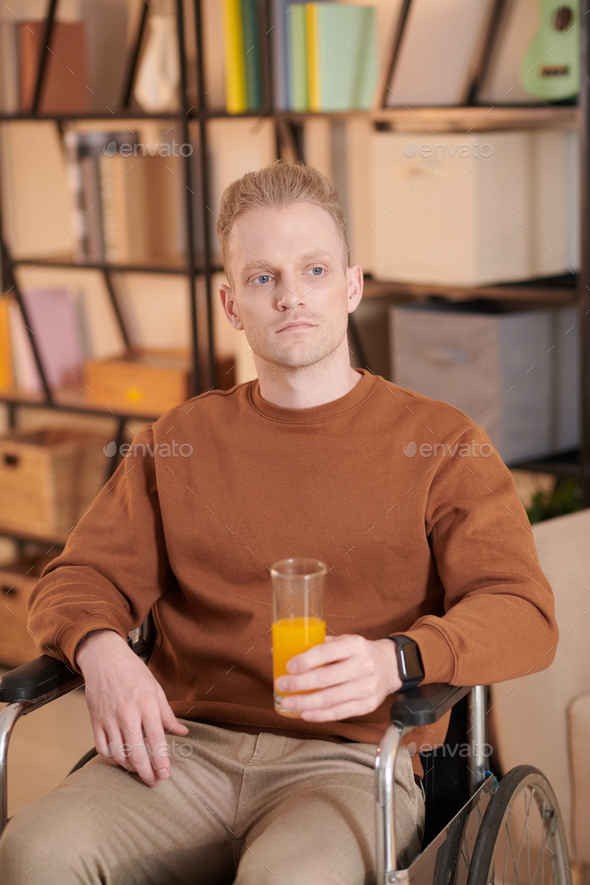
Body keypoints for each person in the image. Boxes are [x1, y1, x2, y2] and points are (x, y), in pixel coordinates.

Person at [0, 161, 558, 884]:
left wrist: (397, 659)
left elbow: (522, 611)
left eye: (314, 270)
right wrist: (102, 650)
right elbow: (77, 578)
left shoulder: (442, 443)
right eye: (263, 277)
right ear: (232, 304)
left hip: (351, 761)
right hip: (181, 748)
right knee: (35, 851)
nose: (291, 295)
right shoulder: (179, 440)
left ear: (351, 285)